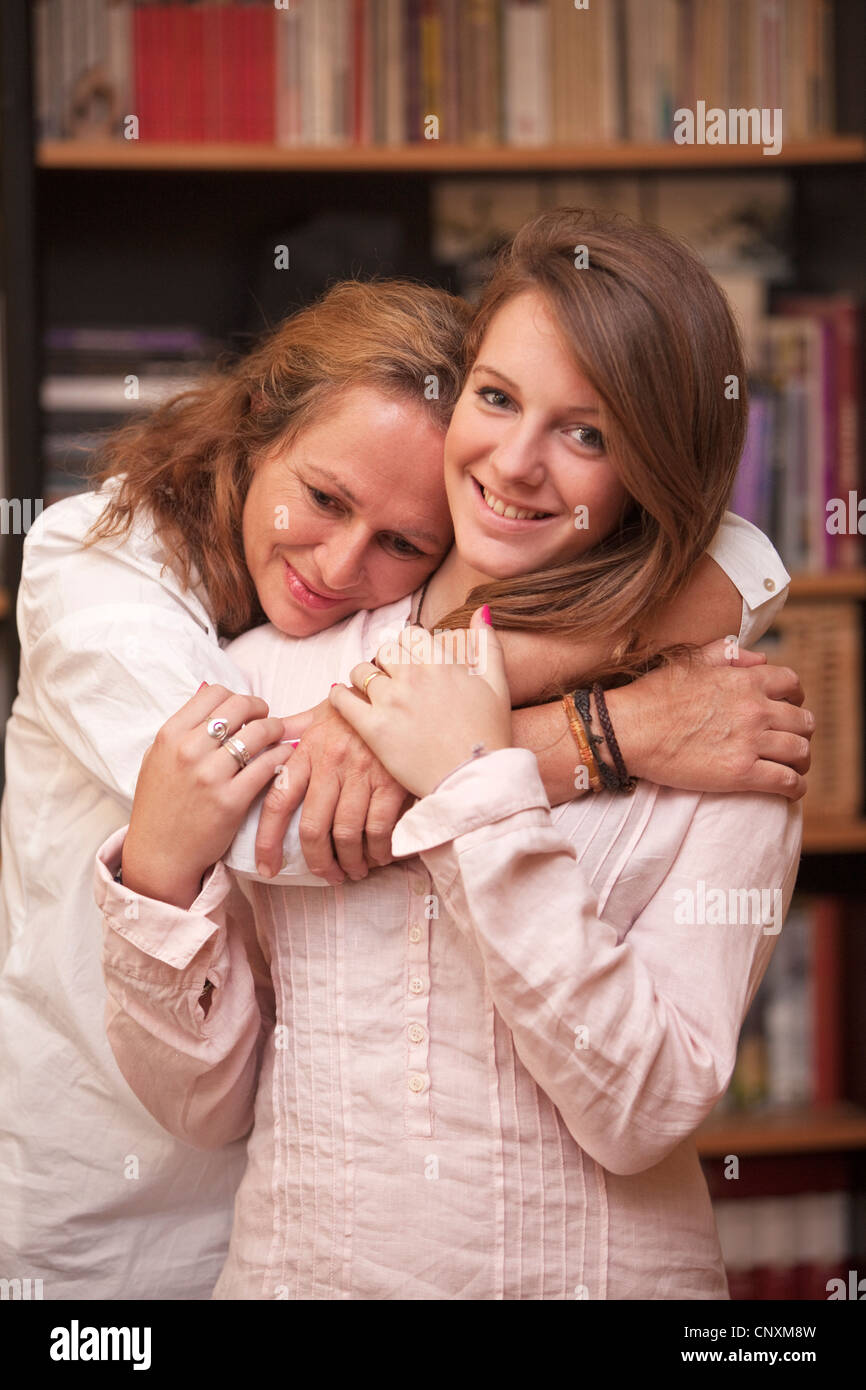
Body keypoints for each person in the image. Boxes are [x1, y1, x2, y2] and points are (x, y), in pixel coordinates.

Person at [0, 274, 796, 1302]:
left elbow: (742, 554)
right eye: (324, 499)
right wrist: (603, 733)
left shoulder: (722, 717)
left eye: (403, 542)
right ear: (259, 423)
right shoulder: (120, 576)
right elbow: (275, 824)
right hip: (100, 1201)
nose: (338, 565)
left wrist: (460, 704)